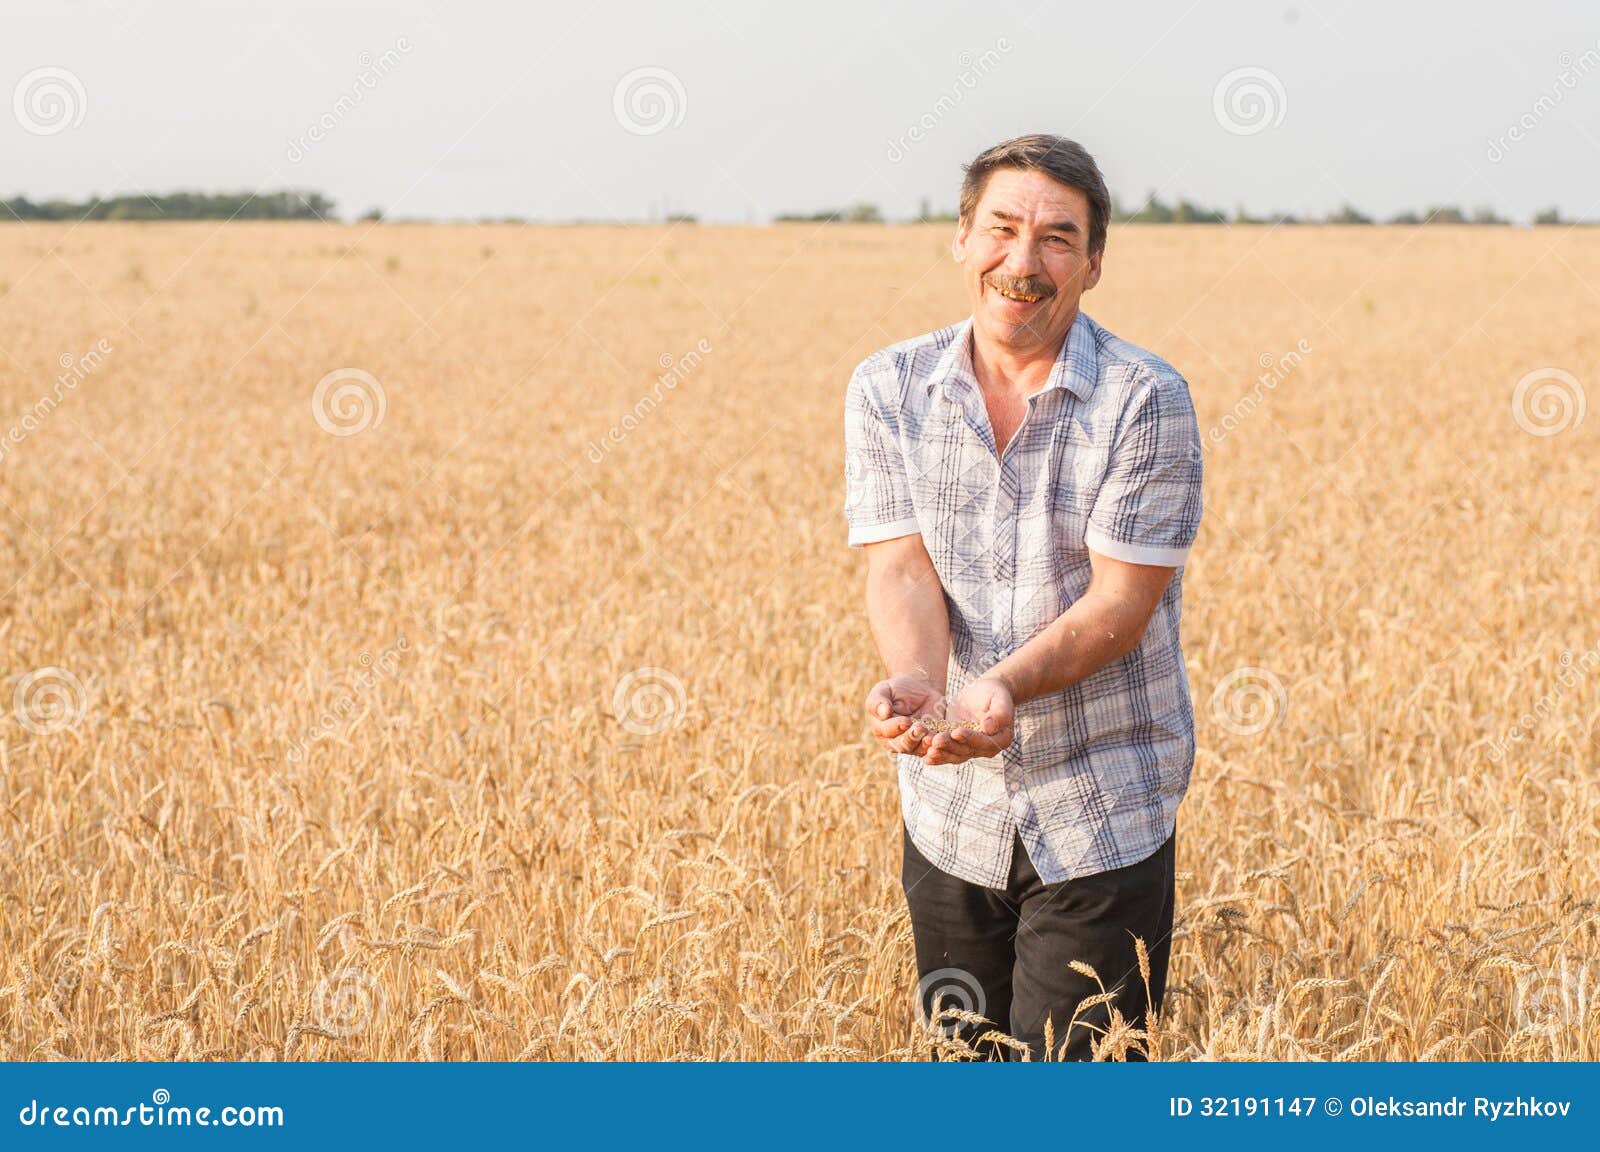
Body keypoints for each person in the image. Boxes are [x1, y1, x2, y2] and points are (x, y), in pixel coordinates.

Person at [842, 133, 1203, 1061]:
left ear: (1092, 264)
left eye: (1055, 239)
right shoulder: (888, 388)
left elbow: (1120, 606)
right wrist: (919, 681)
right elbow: (901, 565)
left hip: (1100, 807)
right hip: (950, 811)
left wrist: (998, 689)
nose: (1023, 261)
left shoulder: (1144, 399)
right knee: (963, 1069)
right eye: (1001, 229)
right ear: (962, 240)